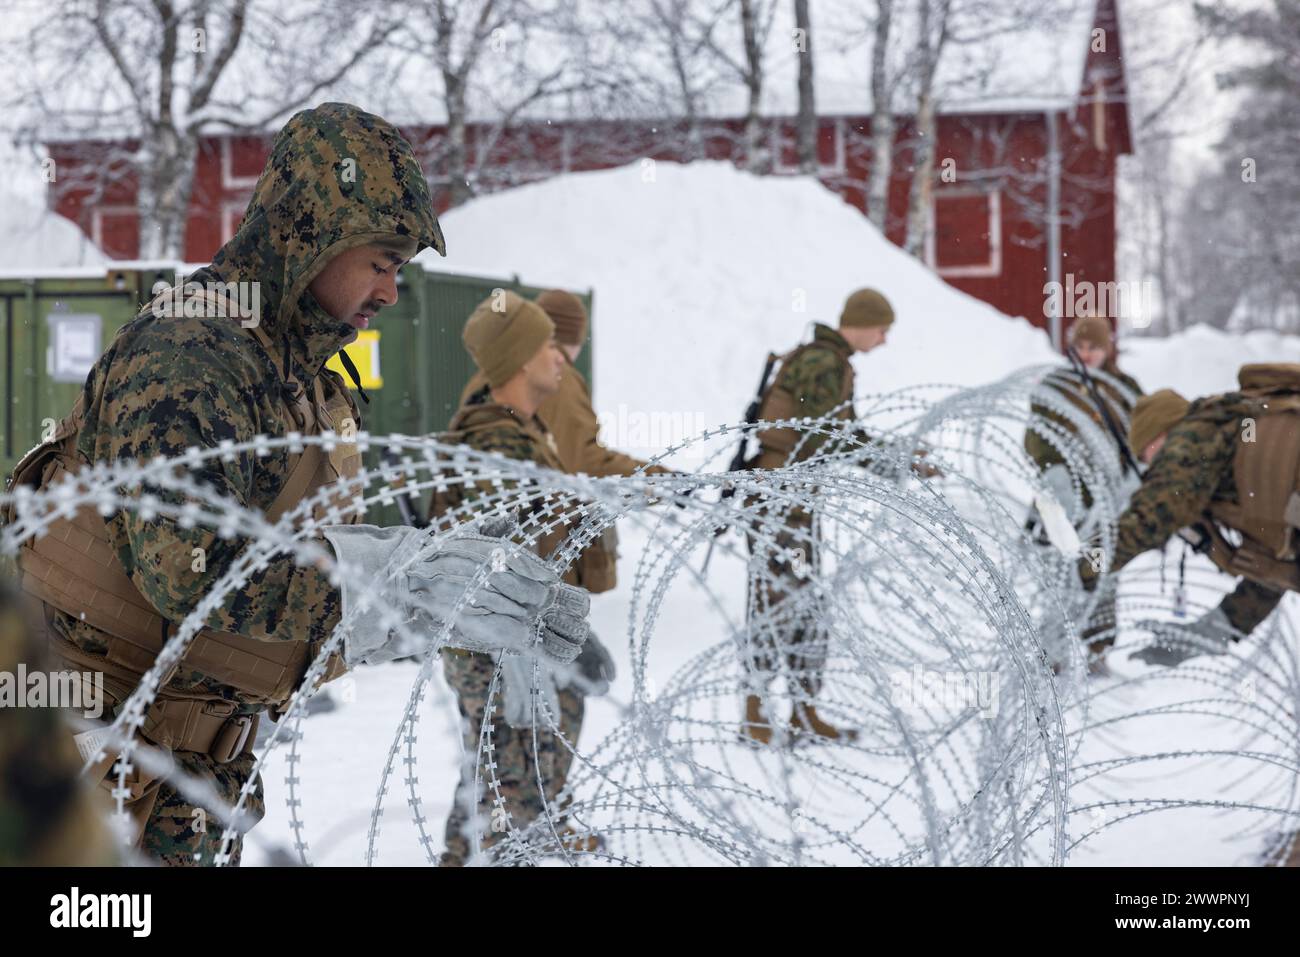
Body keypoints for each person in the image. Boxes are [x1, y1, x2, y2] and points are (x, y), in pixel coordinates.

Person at [2, 103, 587, 866]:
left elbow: (289, 573)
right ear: (309, 232)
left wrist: (442, 595)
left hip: (184, 780)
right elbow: (191, 569)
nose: (389, 289)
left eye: (400, 269)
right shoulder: (193, 355)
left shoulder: (299, 376)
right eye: (379, 260)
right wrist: (393, 586)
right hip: (87, 782)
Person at [433, 290, 611, 864]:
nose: (561, 357)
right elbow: (501, 571)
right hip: (503, 655)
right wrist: (559, 644)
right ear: (517, 360)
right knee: (514, 800)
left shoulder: (520, 432)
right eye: (545, 347)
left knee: (494, 780)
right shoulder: (498, 445)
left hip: (511, 647)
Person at [741, 287, 911, 744]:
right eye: (883, 329)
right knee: (775, 603)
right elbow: (821, 437)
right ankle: (756, 714)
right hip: (782, 497)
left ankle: (802, 709)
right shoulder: (823, 362)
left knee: (807, 603)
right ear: (862, 322)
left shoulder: (829, 360)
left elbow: (837, 435)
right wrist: (889, 461)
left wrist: (890, 457)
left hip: (794, 496)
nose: (884, 340)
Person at [1081, 367, 1300, 667]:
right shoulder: (1245, 459)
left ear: (1163, 434)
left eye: (1147, 454)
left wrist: (1081, 565)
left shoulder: (1193, 435)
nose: (1151, 466)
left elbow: (1149, 520)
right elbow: (1272, 569)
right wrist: (1216, 629)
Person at [1025, 314, 1143, 670]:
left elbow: (1143, 439)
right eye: (1080, 346)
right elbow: (1036, 437)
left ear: (1109, 349)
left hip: (1107, 501)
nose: (1087, 354)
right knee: (1059, 575)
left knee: (1102, 574)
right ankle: (1053, 652)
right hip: (1060, 497)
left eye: (1095, 347)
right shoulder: (1055, 386)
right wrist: (1056, 474)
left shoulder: (1125, 390)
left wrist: (1135, 480)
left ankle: (1098, 650)